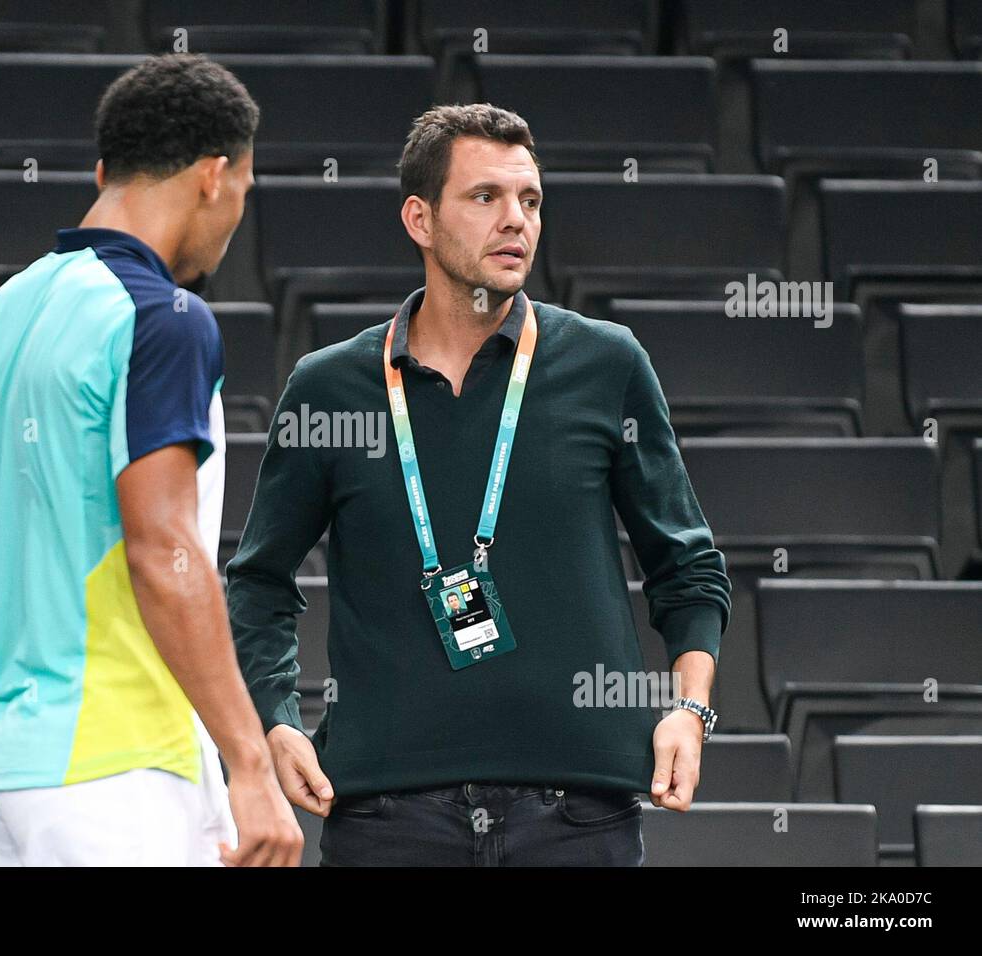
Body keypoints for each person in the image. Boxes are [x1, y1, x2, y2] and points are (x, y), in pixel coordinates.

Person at [226, 104, 732, 866]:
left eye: (530, 201)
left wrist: (689, 710)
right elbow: (259, 582)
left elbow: (688, 567)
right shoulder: (328, 388)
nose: (516, 222)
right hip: (387, 820)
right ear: (419, 219)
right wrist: (274, 720)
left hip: (578, 816)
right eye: (485, 197)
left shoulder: (608, 364)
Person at [0, 54, 302, 867]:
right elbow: (163, 551)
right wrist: (248, 763)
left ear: (106, 172)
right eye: (244, 186)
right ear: (214, 177)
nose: (238, 209)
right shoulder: (166, 320)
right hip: (122, 775)